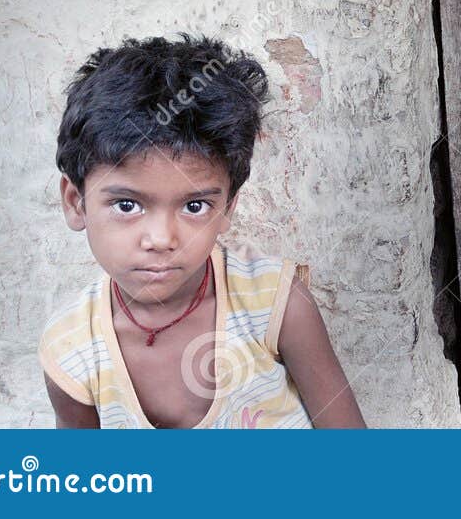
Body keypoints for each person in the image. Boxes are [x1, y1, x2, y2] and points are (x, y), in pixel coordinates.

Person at [38, 34, 365, 428]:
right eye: (127, 205)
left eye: (195, 206)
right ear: (76, 202)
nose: (161, 239)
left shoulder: (275, 306)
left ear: (227, 208)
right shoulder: (72, 352)